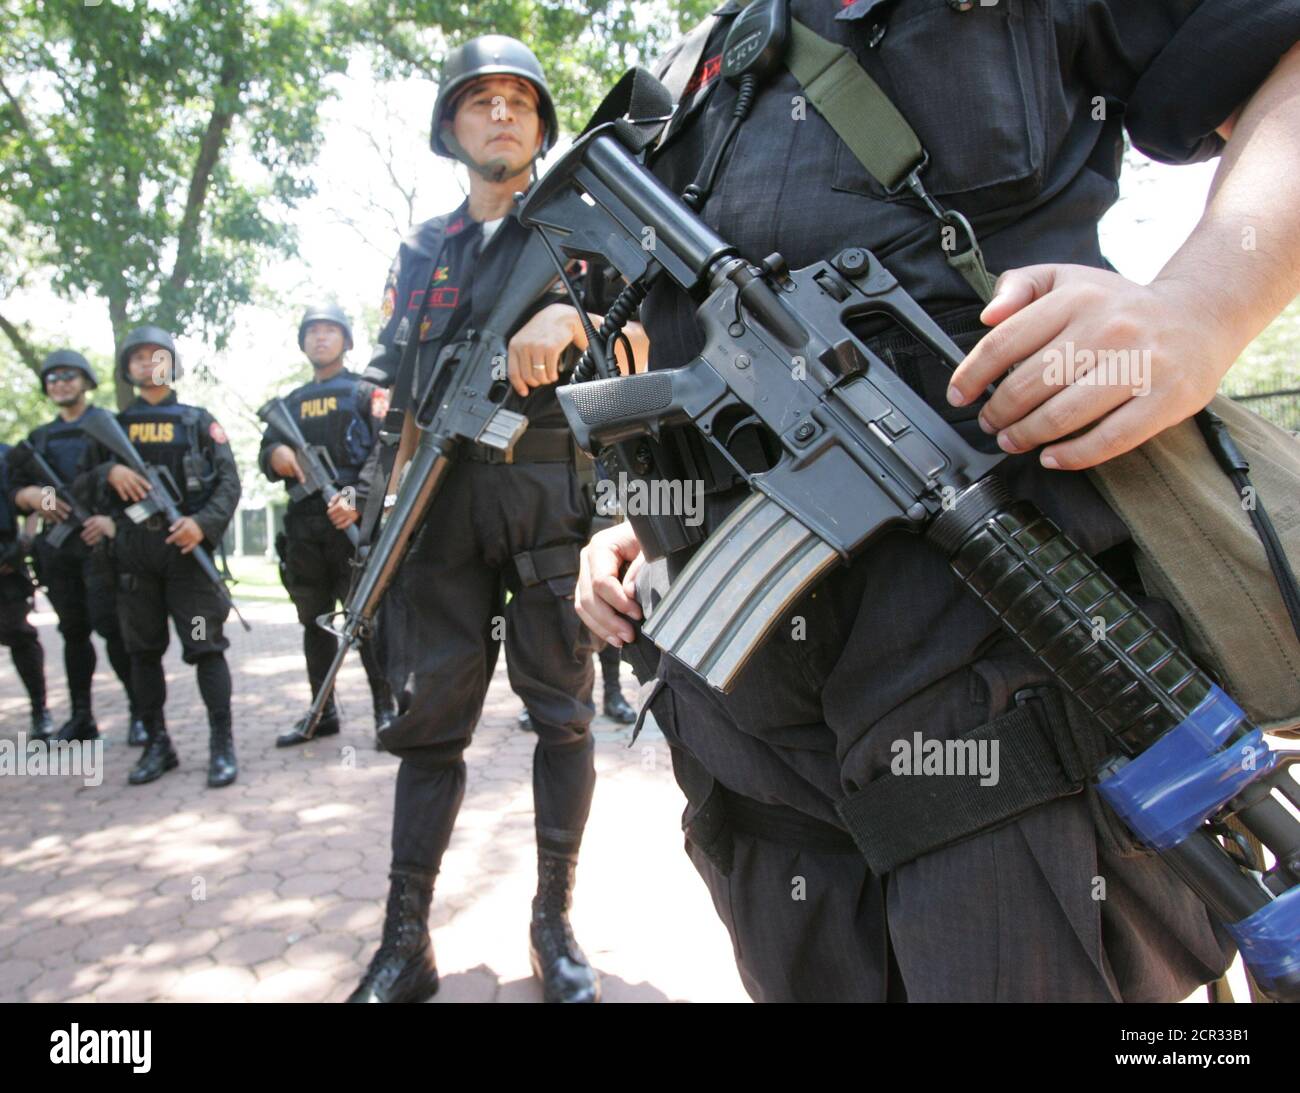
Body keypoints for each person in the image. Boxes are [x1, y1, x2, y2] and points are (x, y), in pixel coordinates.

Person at [575, 2, 1300, 1001]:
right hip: (740, 699)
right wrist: (640, 519)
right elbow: (688, 335)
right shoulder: (704, 60)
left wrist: (1200, 307)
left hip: (991, 612)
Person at [347, 34, 646, 1005]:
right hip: (440, 512)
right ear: (450, 127)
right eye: (481, 100)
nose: (503, 113)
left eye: (521, 99)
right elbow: (399, 394)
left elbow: (655, 344)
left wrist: (578, 324)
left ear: (543, 125)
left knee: (562, 720)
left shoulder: (590, 228)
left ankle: (552, 923)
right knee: (427, 731)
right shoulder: (423, 251)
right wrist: (381, 519)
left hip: (550, 504)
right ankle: (405, 942)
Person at [77, 326, 242, 788]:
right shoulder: (110, 428)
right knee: (143, 654)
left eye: (158, 356)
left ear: (173, 364)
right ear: (126, 368)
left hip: (188, 561)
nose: (149, 364)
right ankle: (157, 744)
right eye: (139, 357)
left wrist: (202, 524)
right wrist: (109, 473)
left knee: (206, 649)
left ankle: (221, 745)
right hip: (134, 562)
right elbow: (76, 488)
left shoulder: (197, 421)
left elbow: (230, 484)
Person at [260, 302, 396, 748]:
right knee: (313, 624)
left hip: (354, 527)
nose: (320, 338)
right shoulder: (289, 404)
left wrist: (357, 498)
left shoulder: (365, 390)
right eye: (312, 332)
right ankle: (323, 711)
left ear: (345, 340)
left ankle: (385, 710)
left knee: (365, 621)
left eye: (329, 331)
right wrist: (275, 456)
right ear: (303, 342)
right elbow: (269, 453)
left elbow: (387, 448)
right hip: (304, 532)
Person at [7, 351, 141, 744]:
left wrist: (112, 522)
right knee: (73, 633)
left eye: (68, 376)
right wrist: (34, 496)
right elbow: (14, 489)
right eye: (52, 379)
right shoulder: (39, 439)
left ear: (85, 380)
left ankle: (140, 712)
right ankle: (82, 716)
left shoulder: (106, 428)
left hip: (102, 548)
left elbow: (138, 484)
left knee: (115, 632)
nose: (61, 384)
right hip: (59, 551)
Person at [0, 442, 50, 739]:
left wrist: (24, 543)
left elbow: (34, 495)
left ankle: (39, 710)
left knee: (19, 634)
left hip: (7, 562)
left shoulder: (9, 455)